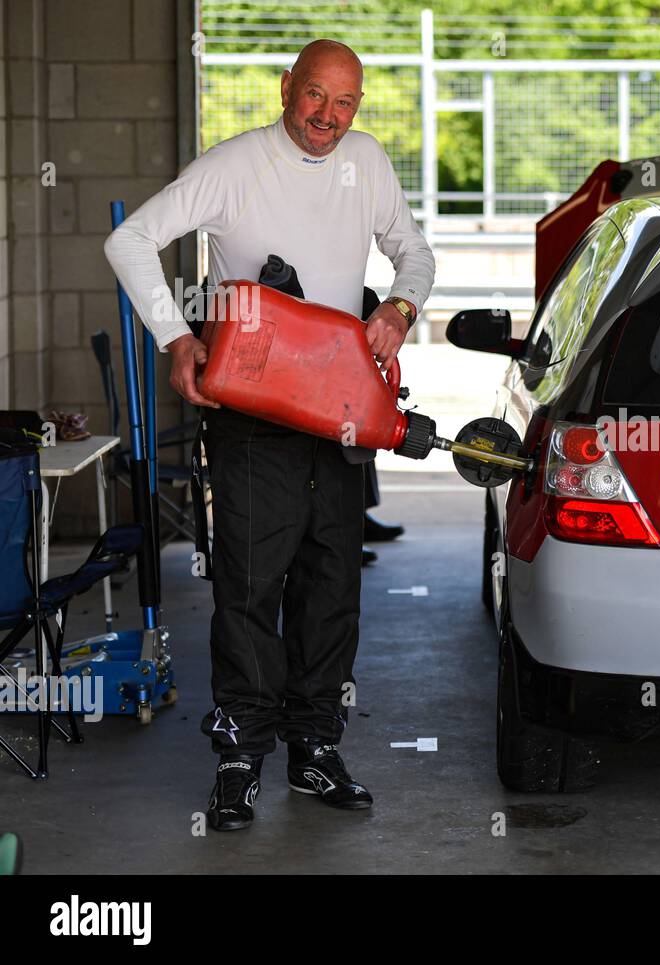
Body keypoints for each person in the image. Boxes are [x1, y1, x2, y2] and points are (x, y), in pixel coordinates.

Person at [104, 39, 435, 831]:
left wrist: (400, 308)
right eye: (316, 96)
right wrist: (176, 338)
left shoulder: (369, 164)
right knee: (250, 585)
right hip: (252, 414)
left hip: (342, 411)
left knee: (332, 586)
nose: (327, 117)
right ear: (288, 87)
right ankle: (239, 758)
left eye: (345, 103)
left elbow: (414, 255)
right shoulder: (235, 164)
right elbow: (131, 240)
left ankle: (316, 748)